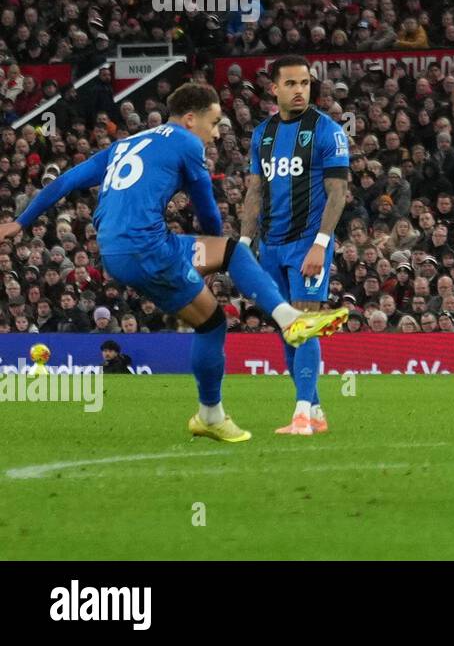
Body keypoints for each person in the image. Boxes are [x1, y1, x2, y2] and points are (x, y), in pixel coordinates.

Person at [0, 82, 347, 442]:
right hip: (147, 246)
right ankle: (289, 319)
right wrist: (216, 254)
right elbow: (207, 209)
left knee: (211, 322)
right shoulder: (186, 142)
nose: (214, 135)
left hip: (114, 251)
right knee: (232, 251)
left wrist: (21, 221)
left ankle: (211, 415)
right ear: (189, 119)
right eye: (213, 124)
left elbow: (66, 181)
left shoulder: (125, 144)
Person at [241, 56, 351, 436]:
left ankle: (302, 412)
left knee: (304, 324)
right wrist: (243, 242)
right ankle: (315, 410)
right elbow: (255, 190)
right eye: (291, 83)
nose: (300, 90)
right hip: (270, 246)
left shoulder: (327, 131)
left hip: (308, 243)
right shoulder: (263, 134)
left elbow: (338, 193)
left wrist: (320, 244)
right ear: (274, 88)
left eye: (305, 83)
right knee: (287, 327)